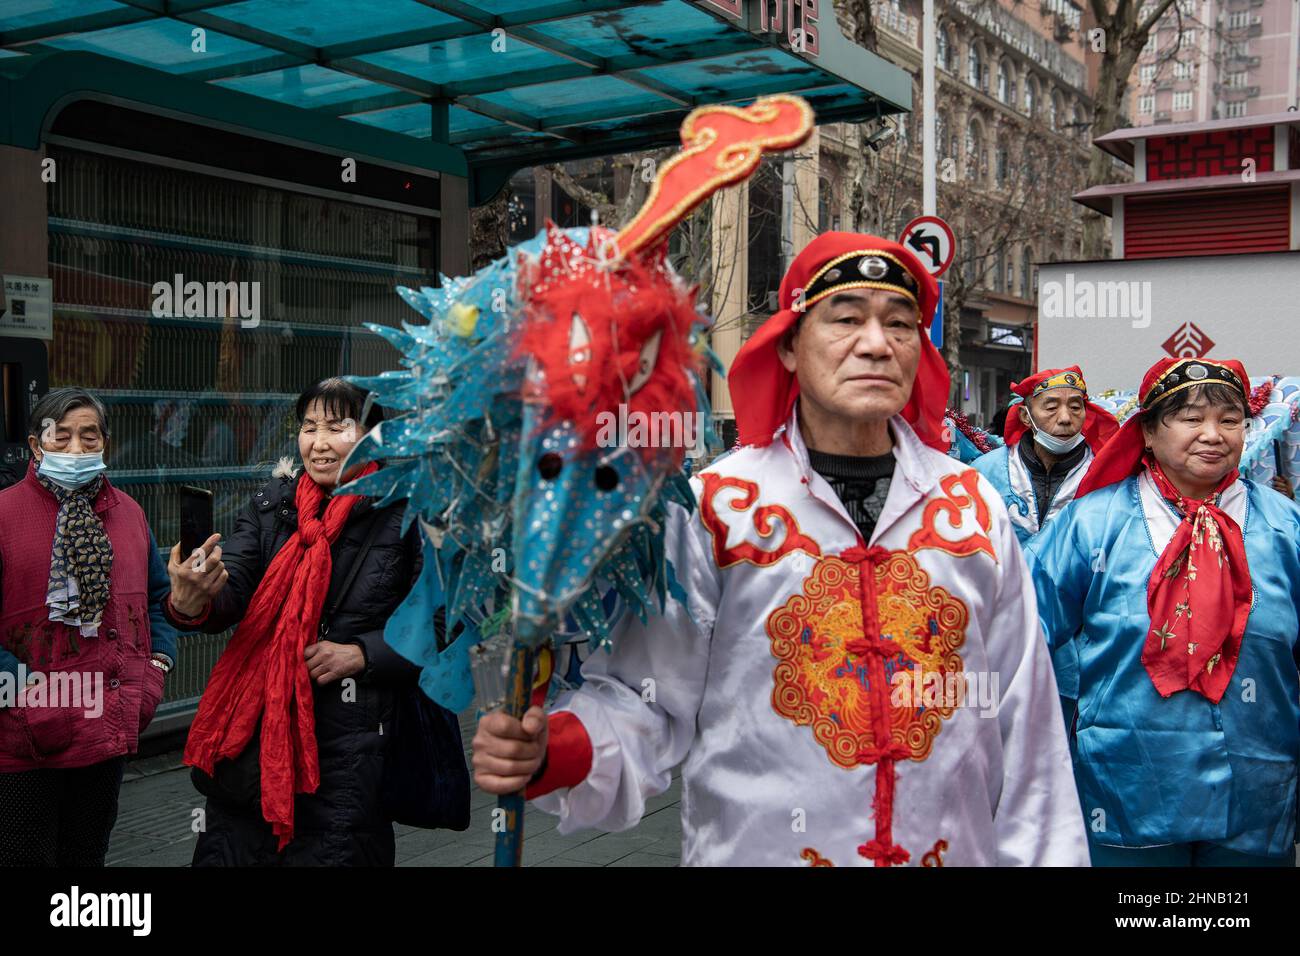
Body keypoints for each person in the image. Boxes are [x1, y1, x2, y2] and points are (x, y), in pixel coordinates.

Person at [472, 233, 1089, 866]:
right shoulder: (716, 508)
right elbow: (647, 699)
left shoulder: (970, 506)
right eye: (846, 319)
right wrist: (559, 749)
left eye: (900, 324)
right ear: (790, 345)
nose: (876, 344)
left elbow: (1028, 730)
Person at [1024, 358, 1299, 866]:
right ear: (1148, 431)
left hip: (1257, 794)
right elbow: (1017, 634)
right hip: (1128, 790)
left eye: (1230, 420)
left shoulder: (1287, 527)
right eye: (1191, 419)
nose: (1212, 435)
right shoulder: (1093, 523)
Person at [164, 378, 424, 866]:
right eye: (308, 427)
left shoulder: (405, 515)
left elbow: (440, 619)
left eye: (336, 427)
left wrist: (364, 654)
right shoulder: (273, 508)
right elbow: (233, 586)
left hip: (349, 759)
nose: (318, 442)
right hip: (251, 751)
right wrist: (194, 598)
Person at [0, 388, 177, 866]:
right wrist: (23, 693)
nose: (76, 449)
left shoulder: (130, 513)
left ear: (105, 444)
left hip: (108, 728)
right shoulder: (4, 515)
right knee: (23, 857)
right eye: (62, 437)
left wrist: (157, 666)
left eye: (89, 437)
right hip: (25, 741)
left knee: (86, 857)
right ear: (37, 447)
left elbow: (159, 600)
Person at [972, 367, 1118, 723]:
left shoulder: (1108, 476)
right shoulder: (982, 473)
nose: (1065, 418)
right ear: (1026, 414)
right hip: (997, 633)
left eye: (1076, 407)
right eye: (1050, 406)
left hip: (1083, 642)